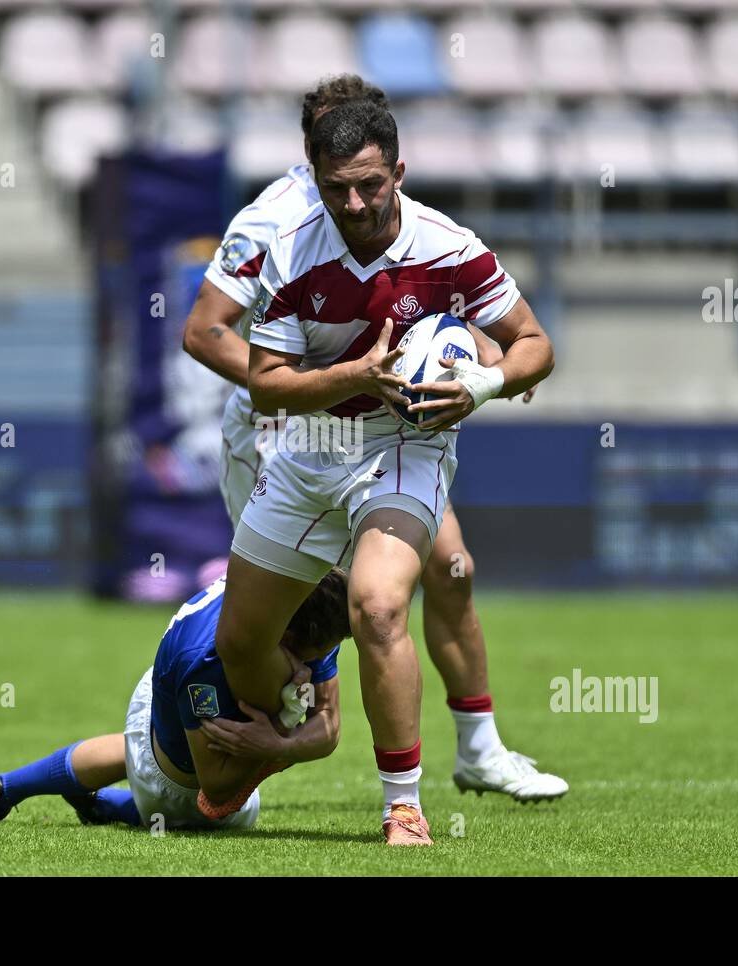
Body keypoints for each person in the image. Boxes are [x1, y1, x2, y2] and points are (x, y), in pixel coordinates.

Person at [181, 75, 568, 828]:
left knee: (404, 591)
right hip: (294, 434)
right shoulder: (280, 232)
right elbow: (217, 343)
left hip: (402, 439)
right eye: (336, 183)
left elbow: (520, 337)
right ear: (311, 159)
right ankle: (287, 737)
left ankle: (430, 786)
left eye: (367, 180)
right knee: (258, 636)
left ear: (394, 164)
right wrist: (337, 380)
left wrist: (481, 379)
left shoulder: (446, 242)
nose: (353, 201)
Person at [0, 570, 349, 831]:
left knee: (136, 746)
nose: (317, 666)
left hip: (159, 702)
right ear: (291, 638)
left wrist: (283, 743)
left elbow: (328, 722)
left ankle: (4, 788)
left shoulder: (292, 594)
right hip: (175, 772)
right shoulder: (209, 661)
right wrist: (279, 738)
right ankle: (111, 805)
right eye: (316, 655)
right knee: (218, 815)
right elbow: (215, 792)